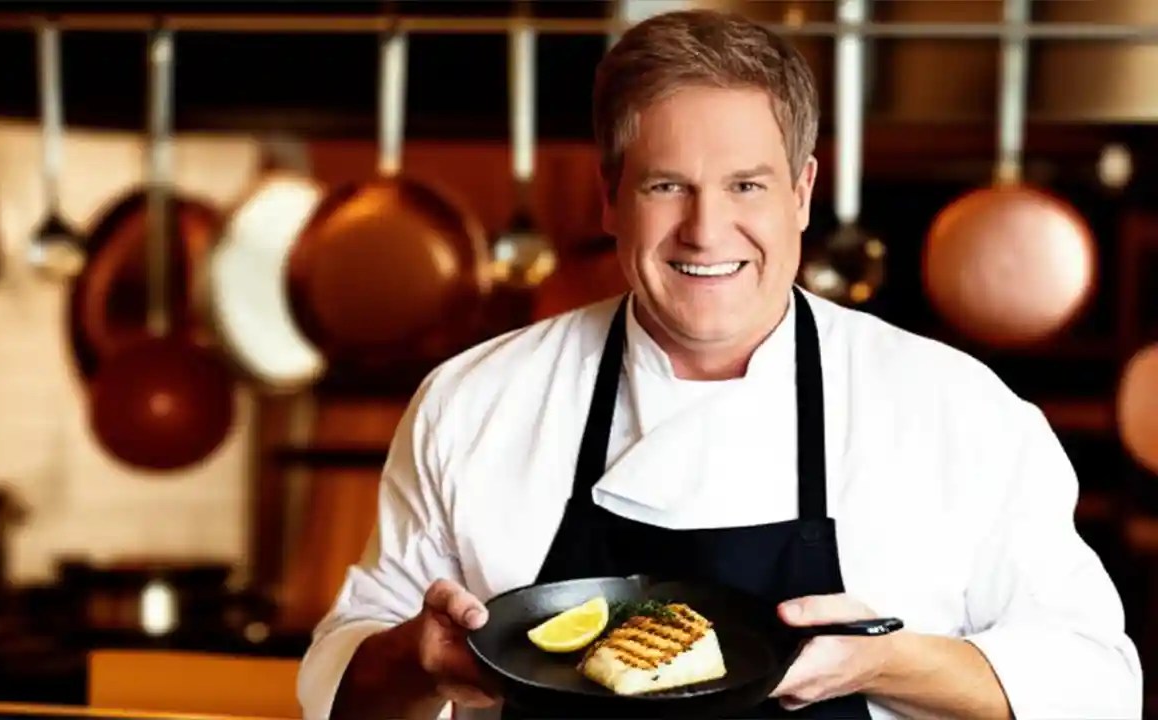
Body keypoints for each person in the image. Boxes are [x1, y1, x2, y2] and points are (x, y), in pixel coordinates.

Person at [296, 9, 1142, 720]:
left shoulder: (953, 409)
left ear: (803, 194)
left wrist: (884, 664)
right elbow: (342, 680)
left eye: (746, 186)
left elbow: (1099, 686)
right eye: (667, 186)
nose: (706, 231)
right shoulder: (474, 402)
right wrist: (415, 660)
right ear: (610, 197)